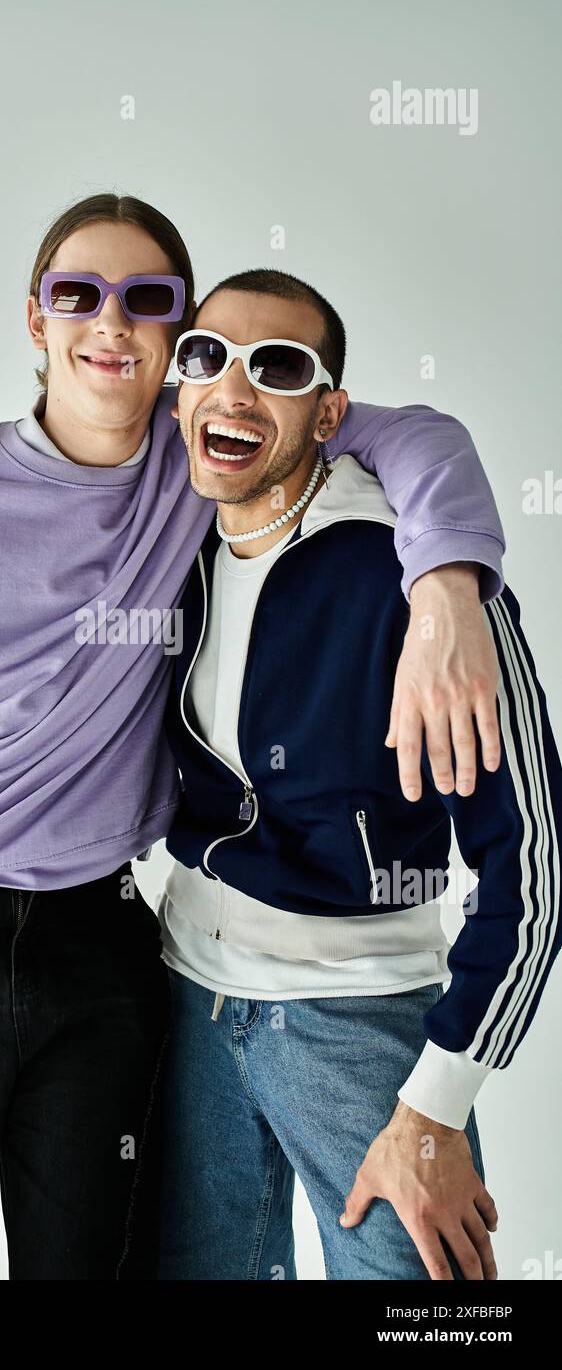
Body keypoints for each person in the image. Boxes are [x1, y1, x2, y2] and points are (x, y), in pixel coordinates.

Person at [0, 193, 505, 1281]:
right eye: (78, 294)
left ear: (172, 345)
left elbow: (403, 430)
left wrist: (448, 585)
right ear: (36, 321)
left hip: (104, 944)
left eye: (147, 302)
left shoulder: (199, 464)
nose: (109, 322)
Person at [152, 268, 561, 1280]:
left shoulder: (420, 581)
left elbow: (536, 869)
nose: (233, 390)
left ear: (330, 411)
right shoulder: (167, 533)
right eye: (205, 357)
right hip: (180, 1009)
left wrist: (436, 1105)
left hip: (359, 1027)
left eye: (277, 368)